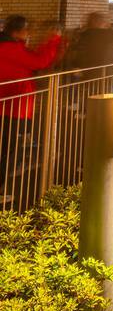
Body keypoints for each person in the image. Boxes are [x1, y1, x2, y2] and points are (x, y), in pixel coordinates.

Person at [0, 15, 66, 205]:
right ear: (17, 31)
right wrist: (53, 40)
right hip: (11, 108)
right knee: (7, 148)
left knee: (8, 146)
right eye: (26, 29)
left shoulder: (9, 46)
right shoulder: (10, 48)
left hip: (10, 105)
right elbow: (39, 62)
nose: (28, 33)